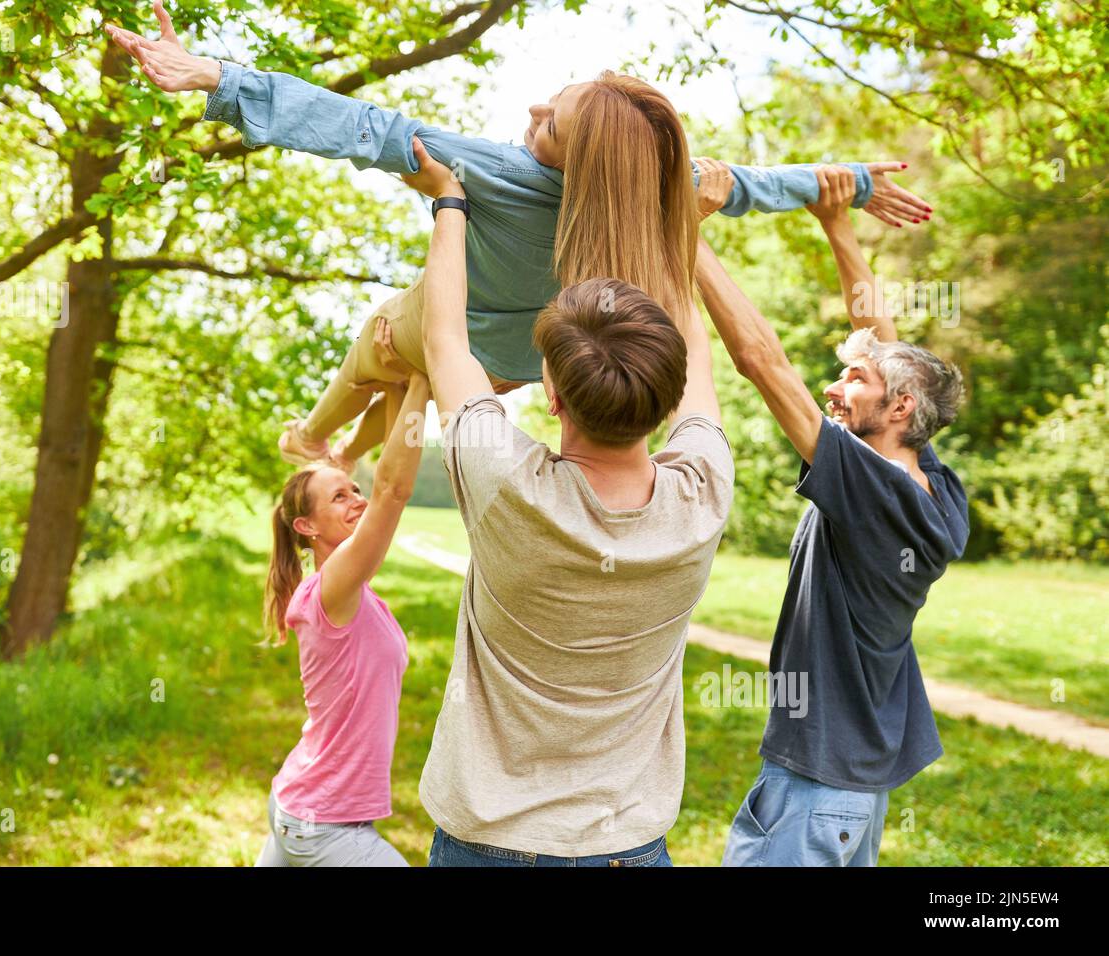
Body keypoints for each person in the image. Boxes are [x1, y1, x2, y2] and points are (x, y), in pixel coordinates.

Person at [104, 2, 932, 472]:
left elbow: (357, 124)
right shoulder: (653, 196)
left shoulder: (488, 168)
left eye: (552, 122)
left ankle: (315, 437)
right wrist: (851, 184)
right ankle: (348, 453)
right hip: (496, 374)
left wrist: (217, 77)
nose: (533, 111)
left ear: (586, 158)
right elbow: (754, 185)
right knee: (407, 403)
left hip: (423, 335)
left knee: (372, 363)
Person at [397, 137, 734, 865]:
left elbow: (444, 338)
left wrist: (450, 199)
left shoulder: (504, 486)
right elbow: (701, 355)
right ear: (670, 397)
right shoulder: (702, 494)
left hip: (488, 844)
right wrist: (684, 226)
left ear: (549, 394)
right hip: (629, 847)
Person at [693, 163, 968, 867]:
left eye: (853, 380)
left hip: (818, 790)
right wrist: (836, 223)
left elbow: (762, 362)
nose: (834, 387)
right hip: (847, 787)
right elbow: (883, 341)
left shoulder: (868, 489)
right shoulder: (929, 484)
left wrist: (687, 232)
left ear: (899, 409)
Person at [256, 355, 430, 867]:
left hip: (298, 801)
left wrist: (403, 383)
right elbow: (393, 490)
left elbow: (386, 464)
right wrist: (423, 372)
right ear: (308, 528)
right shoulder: (331, 589)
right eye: (340, 497)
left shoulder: (348, 586)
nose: (356, 499)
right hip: (326, 826)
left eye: (354, 489)